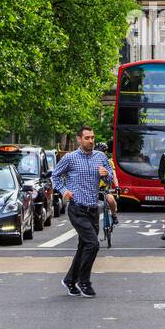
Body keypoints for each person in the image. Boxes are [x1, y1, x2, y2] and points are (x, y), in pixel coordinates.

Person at [51, 126, 114, 298]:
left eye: (92, 137)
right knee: (93, 244)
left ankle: (70, 280)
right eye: (87, 138)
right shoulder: (70, 158)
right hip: (77, 208)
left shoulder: (100, 157)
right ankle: (84, 281)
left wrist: (106, 174)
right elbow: (55, 176)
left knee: (84, 246)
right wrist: (64, 191)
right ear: (79, 139)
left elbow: (110, 180)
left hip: (93, 209)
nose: (91, 140)